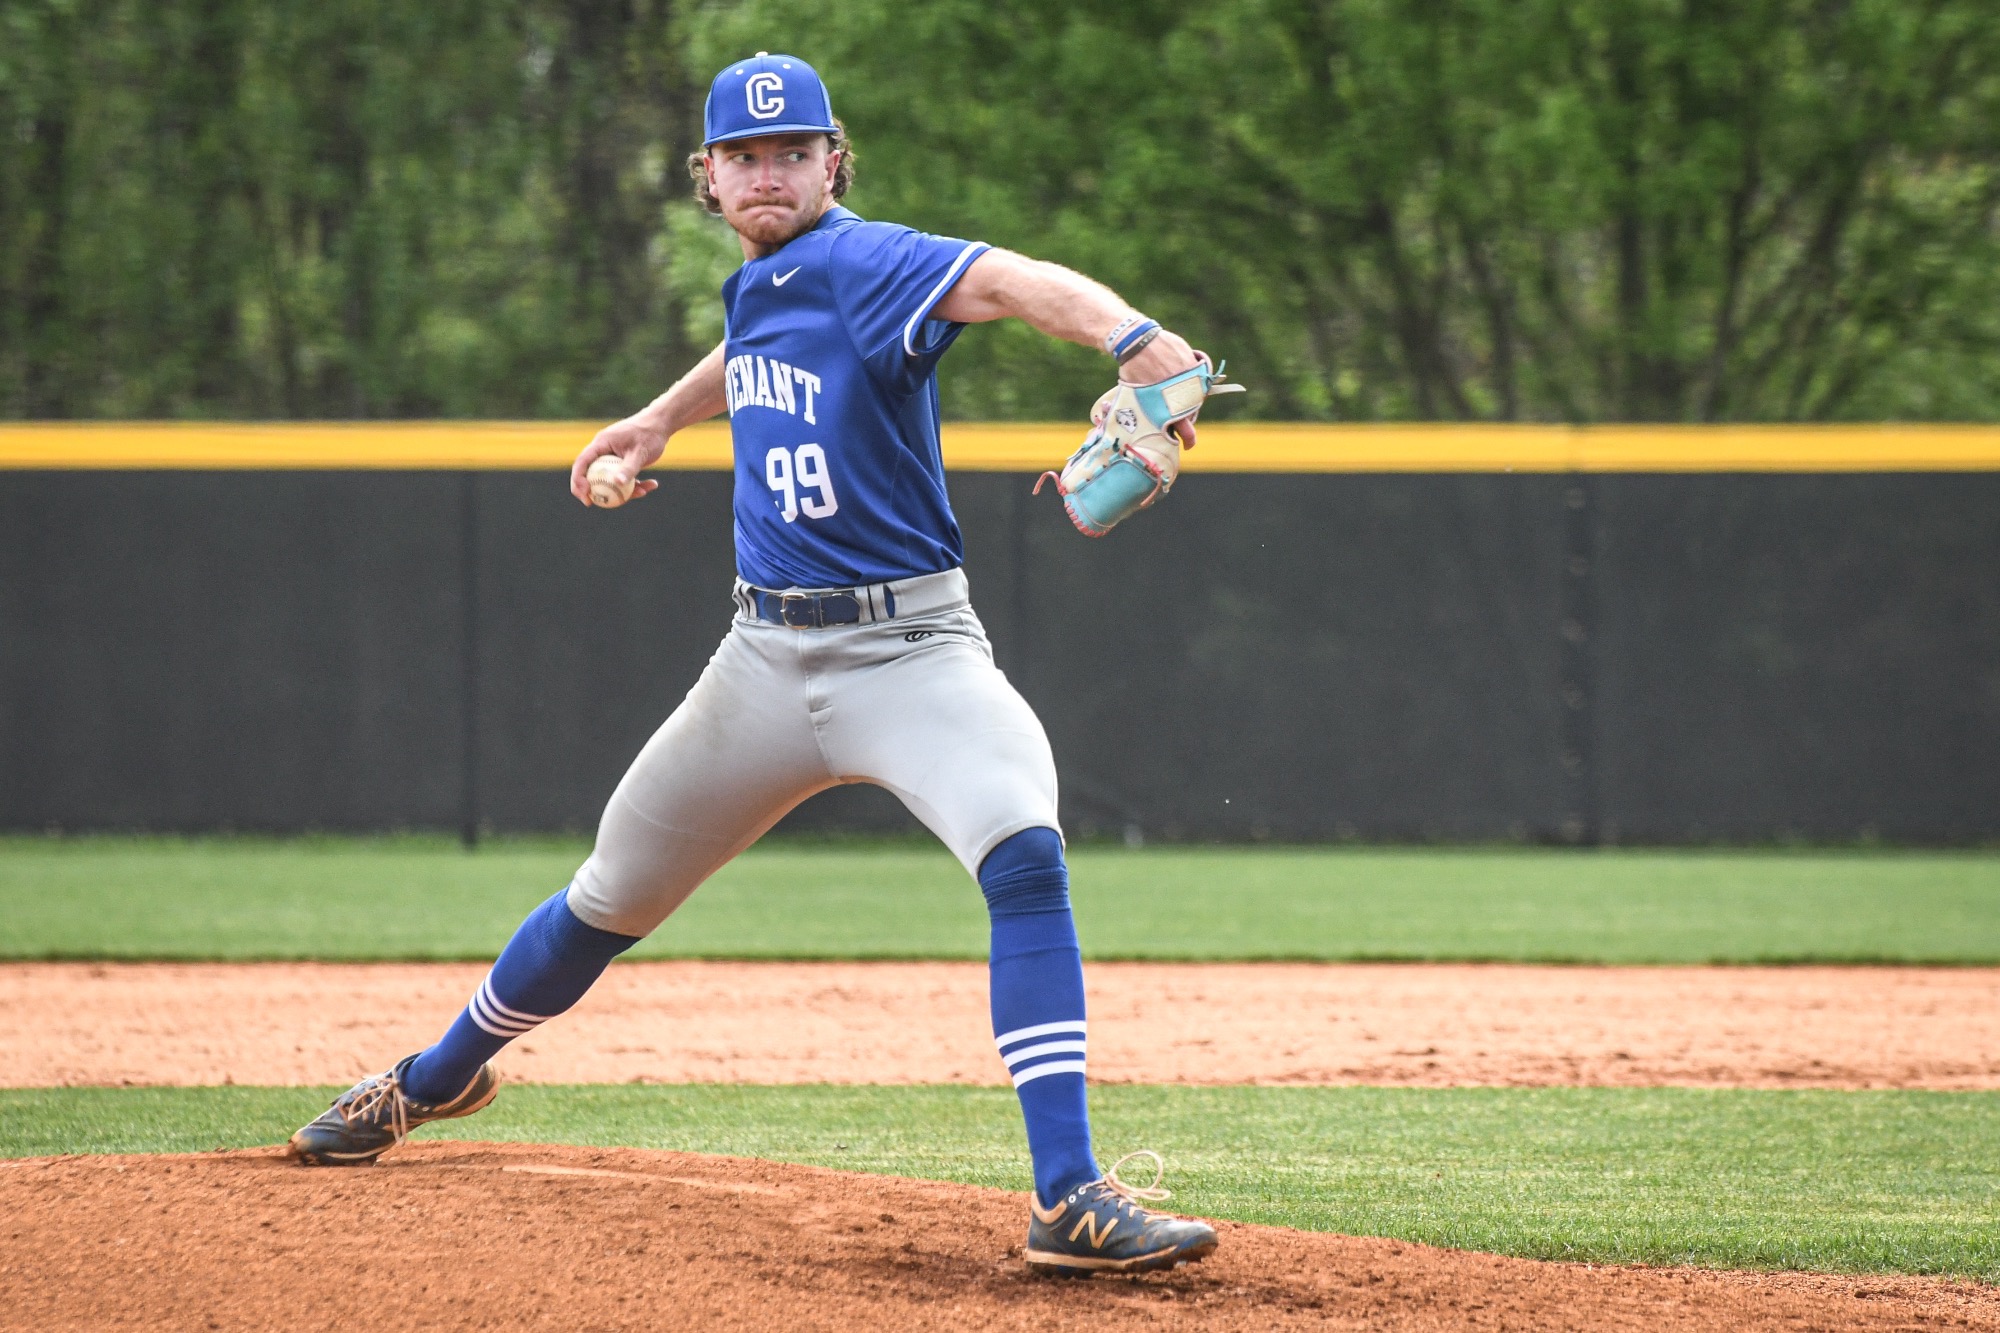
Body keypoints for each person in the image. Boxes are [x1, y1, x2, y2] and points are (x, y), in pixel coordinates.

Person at [290, 51, 1220, 1277]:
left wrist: (1134, 337)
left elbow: (1002, 280)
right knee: (605, 900)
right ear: (709, 180)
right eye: (744, 156)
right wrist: (658, 420)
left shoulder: (862, 256)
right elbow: (752, 348)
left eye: (793, 152)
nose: (768, 172)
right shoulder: (764, 282)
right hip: (763, 661)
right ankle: (427, 1081)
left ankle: (1069, 1195)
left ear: (834, 162)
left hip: (911, 651)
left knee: (1023, 851)